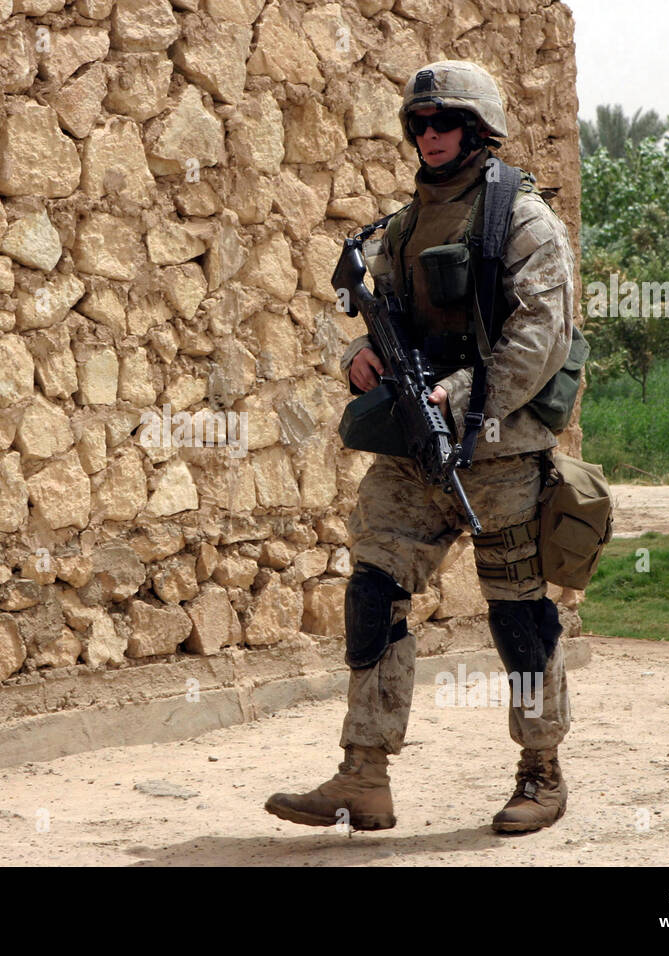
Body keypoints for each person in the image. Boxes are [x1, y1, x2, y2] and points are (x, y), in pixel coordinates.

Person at [265, 60, 577, 834]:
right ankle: (363, 776)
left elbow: (540, 334)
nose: (430, 135)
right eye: (420, 124)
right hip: (414, 451)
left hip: (500, 451)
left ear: (477, 131)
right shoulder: (400, 229)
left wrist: (466, 397)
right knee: (373, 593)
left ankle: (541, 771)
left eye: (446, 123)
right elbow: (372, 322)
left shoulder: (524, 220)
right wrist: (356, 362)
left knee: (520, 618)